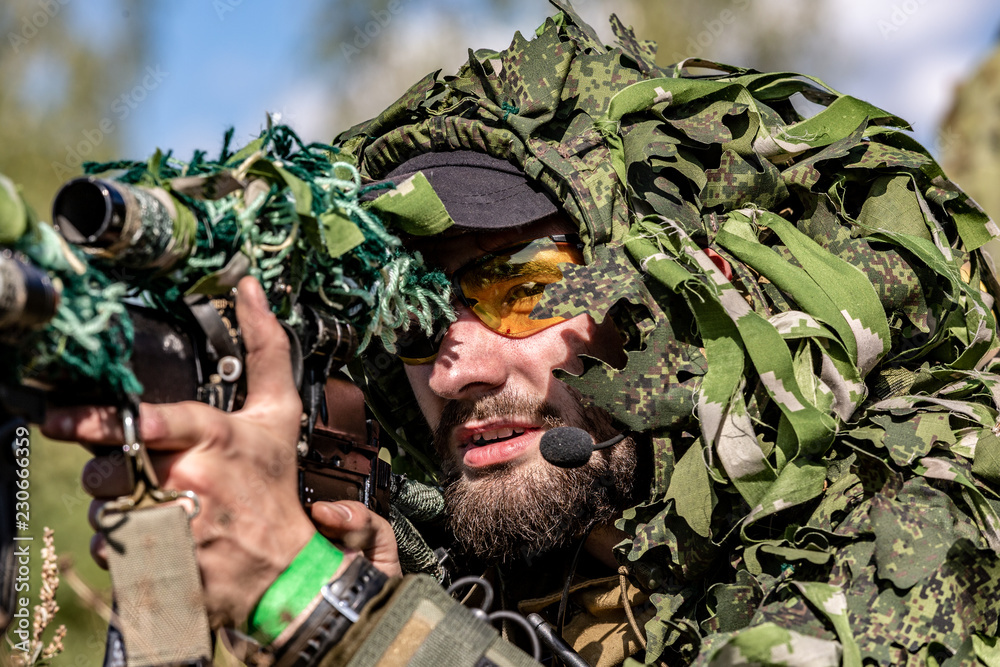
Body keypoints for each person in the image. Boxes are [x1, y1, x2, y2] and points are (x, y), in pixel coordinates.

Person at [44, 2, 1000, 666]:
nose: (457, 365)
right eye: (416, 314)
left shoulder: (913, 505)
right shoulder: (513, 560)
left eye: (523, 286)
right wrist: (215, 563)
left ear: (671, 290)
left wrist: (313, 602)